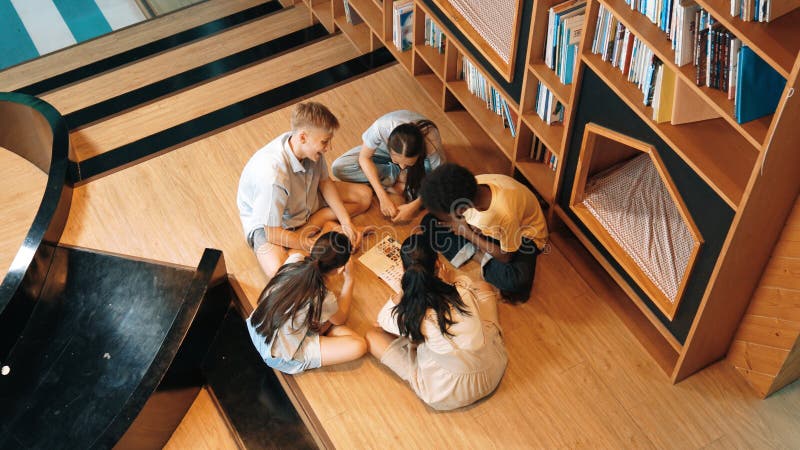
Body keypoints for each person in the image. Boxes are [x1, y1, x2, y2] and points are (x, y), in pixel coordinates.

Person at [365, 234, 507, 411]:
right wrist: (450, 281)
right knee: (484, 287)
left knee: (373, 336)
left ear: (404, 270)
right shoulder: (462, 288)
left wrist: (403, 289)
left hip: (448, 391)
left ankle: (417, 369)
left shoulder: (413, 314)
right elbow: (459, 292)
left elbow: (383, 318)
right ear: (438, 264)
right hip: (490, 371)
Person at [237, 102, 373, 278]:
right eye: (324, 142)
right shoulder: (273, 176)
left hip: (304, 197)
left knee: (364, 196)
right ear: (302, 137)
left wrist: (346, 223)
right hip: (270, 224)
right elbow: (272, 232)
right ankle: (323, 225)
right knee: (281, 273)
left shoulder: (306, 147)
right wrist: (311, 244)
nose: (329, 147)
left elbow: (325, 182)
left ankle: (323, 220)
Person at [418, 163, 548, 303]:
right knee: (429, 222)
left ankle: (478, 255)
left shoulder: (505, 215)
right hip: (491, 229)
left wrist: (468, 233)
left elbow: (506, 257)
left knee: (517, 282)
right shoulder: (473, 186)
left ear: (460, 210)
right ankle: (480, 250)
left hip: (524, 234)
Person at [248, 231, 367, 374]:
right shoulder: (324, 297)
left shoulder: (294, 259)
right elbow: (340, 319)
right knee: (359, 345)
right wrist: (350, 279)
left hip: (257, 329)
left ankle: (320, 329)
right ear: (340, 269)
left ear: (312, 249)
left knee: (324, 317)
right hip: (278, 356)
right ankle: (319, 331)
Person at [330, 110, 445, 223]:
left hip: (422, 163)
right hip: (383, 151)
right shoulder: (382, 127)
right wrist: (382, 197)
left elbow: (439, 177)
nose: (403, 166)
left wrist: (413, 206)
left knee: (437, 195)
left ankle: (398, 180)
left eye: (408, 164)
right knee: (339, 167)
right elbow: (364, 158)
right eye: (397, 161)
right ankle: (398, 178)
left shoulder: (431, 143)